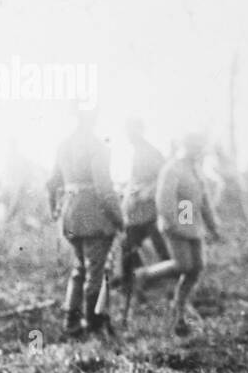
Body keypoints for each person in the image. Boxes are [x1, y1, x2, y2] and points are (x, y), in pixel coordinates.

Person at [131, 131, 221, 337]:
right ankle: (144, 276)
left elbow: (204, 199)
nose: (198, 153)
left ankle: (179, 308)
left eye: (200, 149)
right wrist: (173, 222)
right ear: (187, 148)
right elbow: (165, 199)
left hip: (191, 219)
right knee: (183, 265)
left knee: (197, 267)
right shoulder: (173, 168)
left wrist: (213, 225)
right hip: (176, 221)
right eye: (195, 148)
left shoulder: (195, 169)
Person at [47, 111, 124, 338]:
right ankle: (93, 324)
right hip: (93, 218)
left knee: (80, 268)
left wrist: (54, 209)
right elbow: (104, 190)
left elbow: (51, 183)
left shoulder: (64, 145)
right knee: (95, 272)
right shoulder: (98, 147)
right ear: (94, 118)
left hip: (71, 216)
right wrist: (120, 220)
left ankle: (71, 321)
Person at [117, 117, 170, 324]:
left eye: (133, 131)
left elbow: (164, 178)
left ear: (140, 131)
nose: (129, 135)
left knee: (162, 248)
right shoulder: (136, 153)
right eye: (127, 131)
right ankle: (131, 284)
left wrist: (147, 191)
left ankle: (168, 282)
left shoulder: (151, 153)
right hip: (135, 212)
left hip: (151, 211)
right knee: (128, 247)